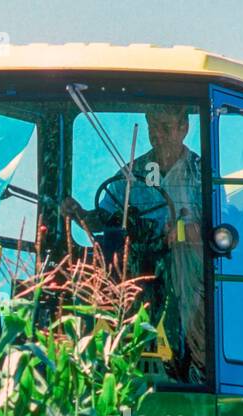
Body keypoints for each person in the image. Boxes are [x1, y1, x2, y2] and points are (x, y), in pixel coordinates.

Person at [65, 104, 206, 383]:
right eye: (153, 127)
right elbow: (104, 218)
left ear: (184, 128)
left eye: (165, 128)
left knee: (187, 330)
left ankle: (187, 371)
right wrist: (80, 214)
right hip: (138, 271)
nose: (157, 135)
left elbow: (221, 232)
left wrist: (181, 231)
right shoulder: (132, 172)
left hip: (187, 273)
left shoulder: (201, 174)